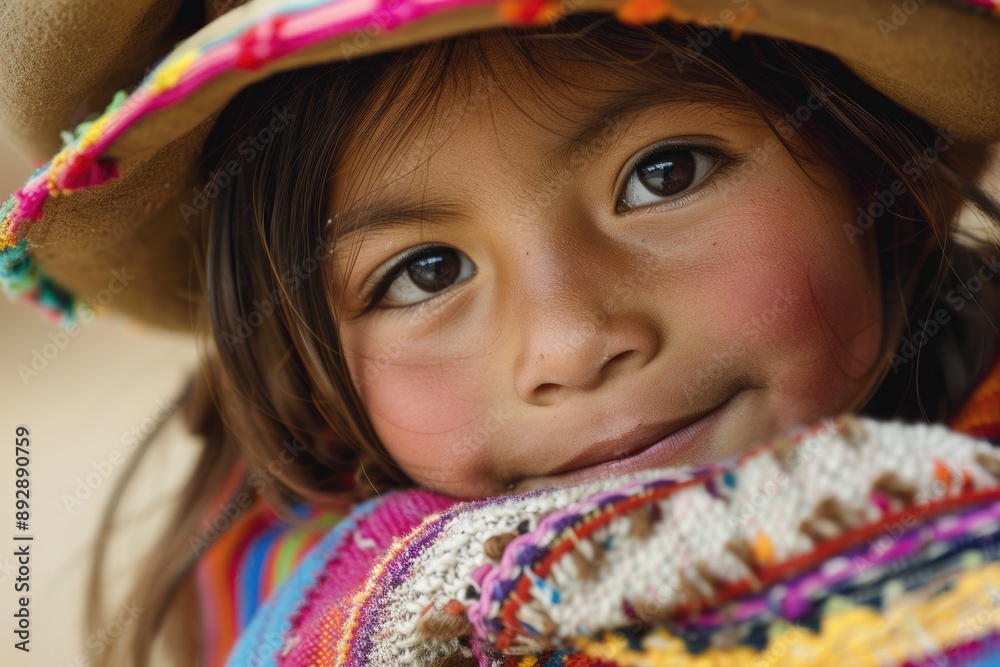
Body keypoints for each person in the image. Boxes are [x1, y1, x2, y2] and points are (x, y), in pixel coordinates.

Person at [1, 0, 999, 665]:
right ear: (311, 383)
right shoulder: (294, 617)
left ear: (873, 172)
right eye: (424, 273)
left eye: (666, 172)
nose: (570, 341)